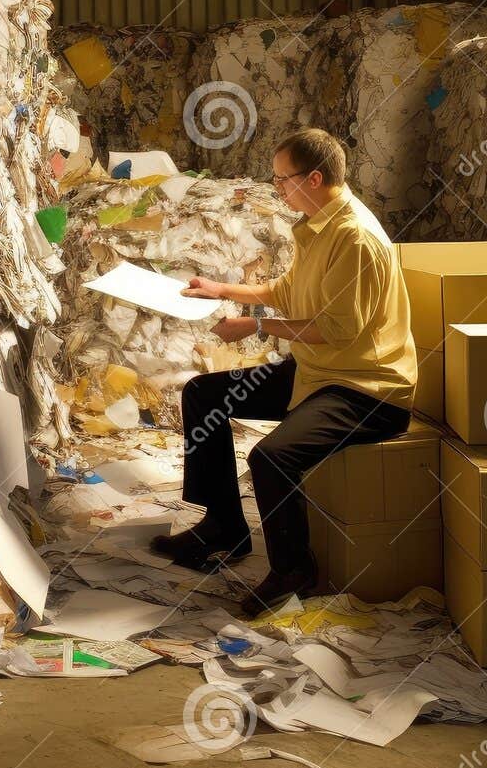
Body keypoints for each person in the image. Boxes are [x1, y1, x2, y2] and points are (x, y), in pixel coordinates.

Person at [153, 127, 417, 615]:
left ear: (314, 179)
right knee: (203, 395)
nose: (276, 188)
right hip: (318, 373)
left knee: (271, 457)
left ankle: (294, 570)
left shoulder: (354, 238)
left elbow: (337, 329)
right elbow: (286, 291)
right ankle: (224, 527)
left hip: (367, 389)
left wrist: (254, 325)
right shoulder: (316, 225)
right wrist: (221, 289)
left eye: (282, 179)